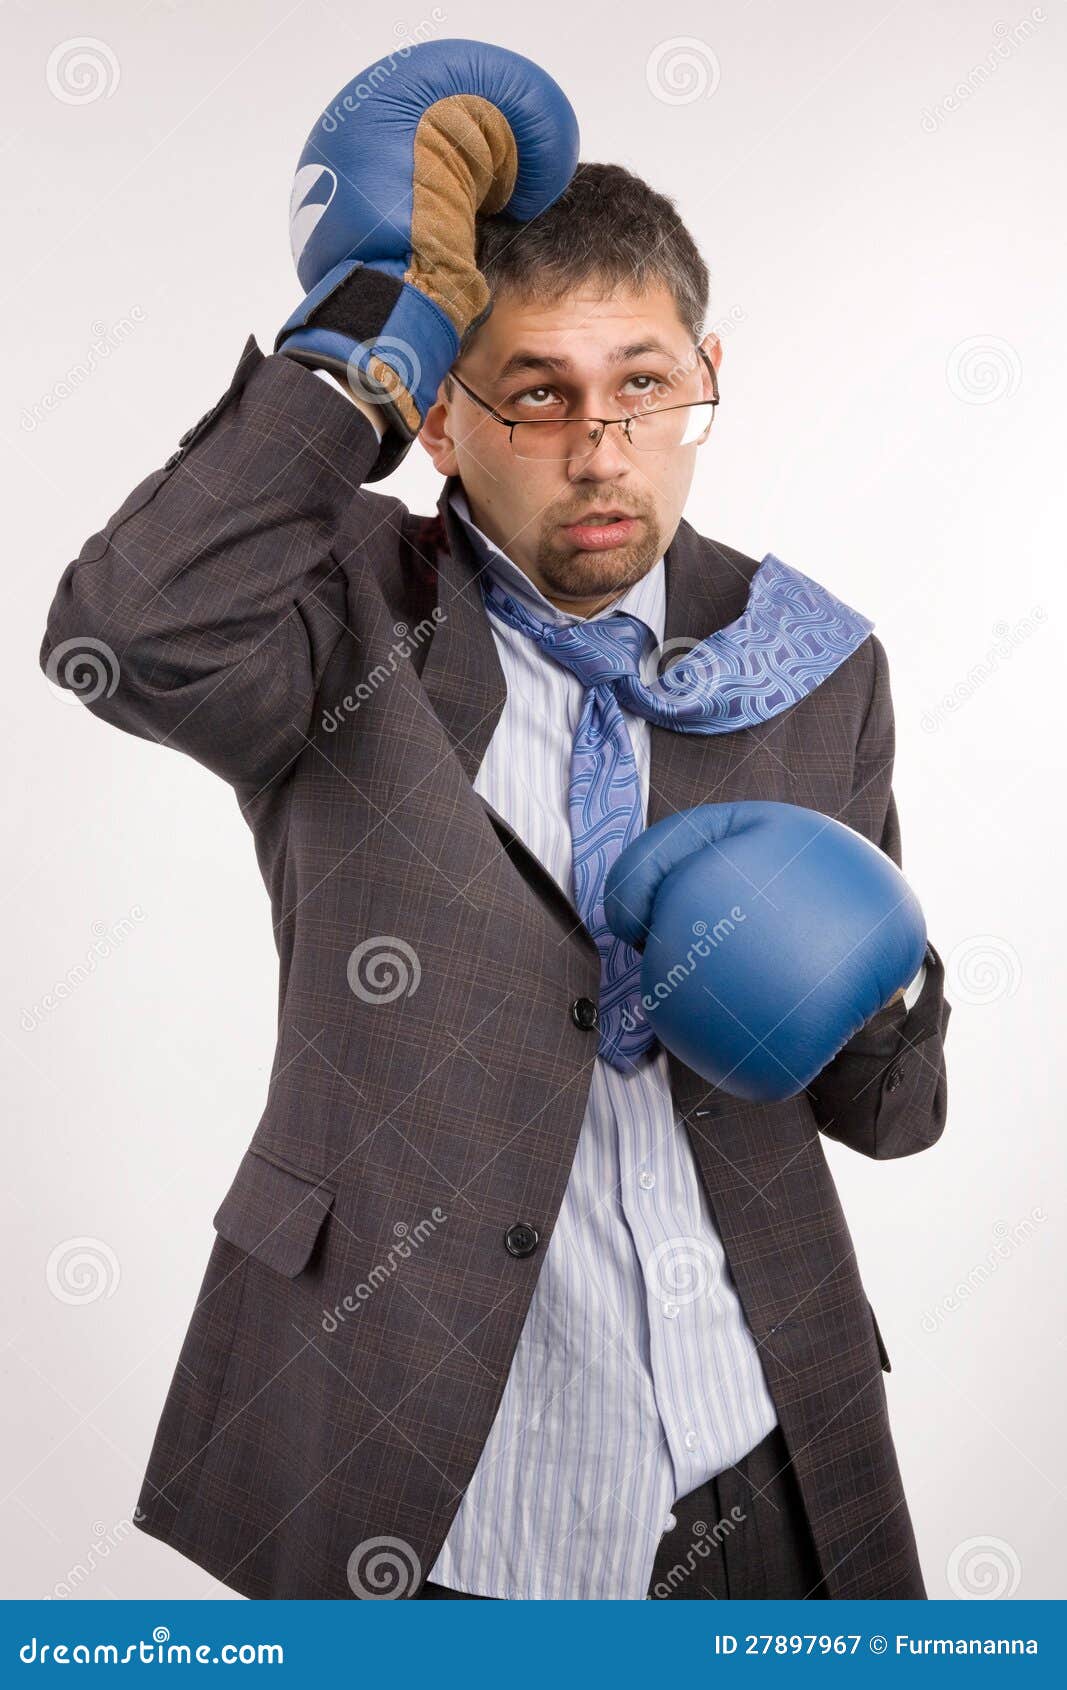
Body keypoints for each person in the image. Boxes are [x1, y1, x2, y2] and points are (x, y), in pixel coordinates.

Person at [39, 41, 949, 1601]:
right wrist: (355, 348)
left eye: (644, 386)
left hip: (765, 1456)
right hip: (425, 1466)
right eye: (536, 396)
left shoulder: (816, 660)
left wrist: (885, 975)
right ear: (443, 418)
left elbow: (891, 1109)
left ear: (701, 375)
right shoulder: (335, 617)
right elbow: (122, 634)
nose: (601, 450)